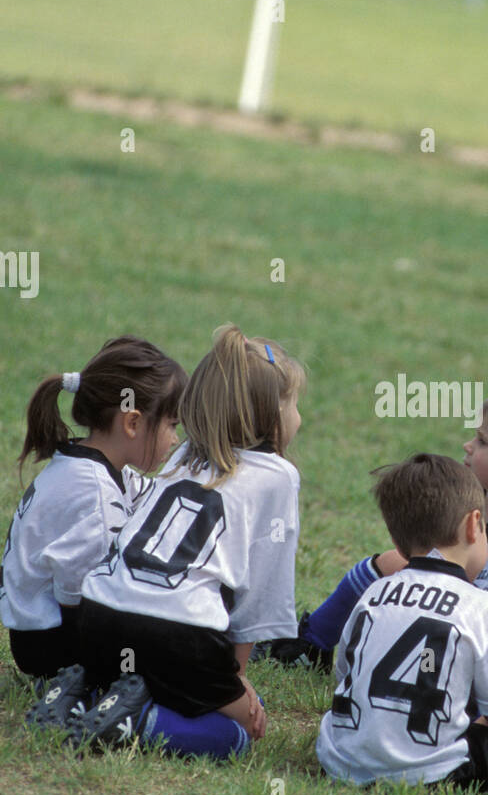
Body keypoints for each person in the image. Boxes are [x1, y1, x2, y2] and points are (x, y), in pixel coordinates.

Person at [68, 325, 304, 759]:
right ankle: (135, 721)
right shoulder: (278, 477)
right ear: (273, 418)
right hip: (179, 636)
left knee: (157, 683)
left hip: (97, 617)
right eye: (294, 405)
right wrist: (236, 679)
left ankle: (82, 698)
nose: (299, 417)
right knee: (243, 730)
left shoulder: (183, 453)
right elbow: (257, 598)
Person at [256, 391, 488, 671]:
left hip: (482, 655)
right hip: (434, 624)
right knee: (391, 561)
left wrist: (468, 600)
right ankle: (311, 642)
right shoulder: (462, 502)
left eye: (483, 441)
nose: (468, 445)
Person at [316, 454, 488, 791]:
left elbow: (346, 675)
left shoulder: (374, 593)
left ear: (397, 542)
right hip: (431, 778)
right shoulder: (485, 608)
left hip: (338, 761)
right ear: (473, 524)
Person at [1, 337, 186, 704]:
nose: (175, 439)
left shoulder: (88, 464)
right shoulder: (94, 492)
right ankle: (73, 692)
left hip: (39, 635)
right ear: (132, 422)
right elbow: (77, 597)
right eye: (171, 425)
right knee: (174, 654)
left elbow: (155, 496)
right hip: (54, 643)